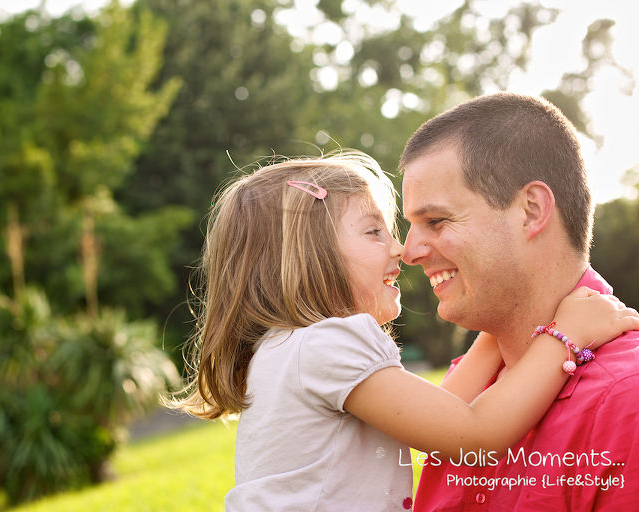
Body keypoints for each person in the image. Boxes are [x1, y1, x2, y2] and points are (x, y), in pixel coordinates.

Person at [168, 151, 638, 511]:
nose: (400, 249)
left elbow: (440, 416)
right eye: (374, 232)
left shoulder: (290, 349)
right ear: (311, 256)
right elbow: (474, 436)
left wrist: (500, 328)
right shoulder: (327, 344)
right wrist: (563, 334)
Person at [400, 92, 639, 511]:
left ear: (531, 210)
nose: (408, 252)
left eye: (435, 220)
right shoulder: (466, 389)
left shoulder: (626, 399)